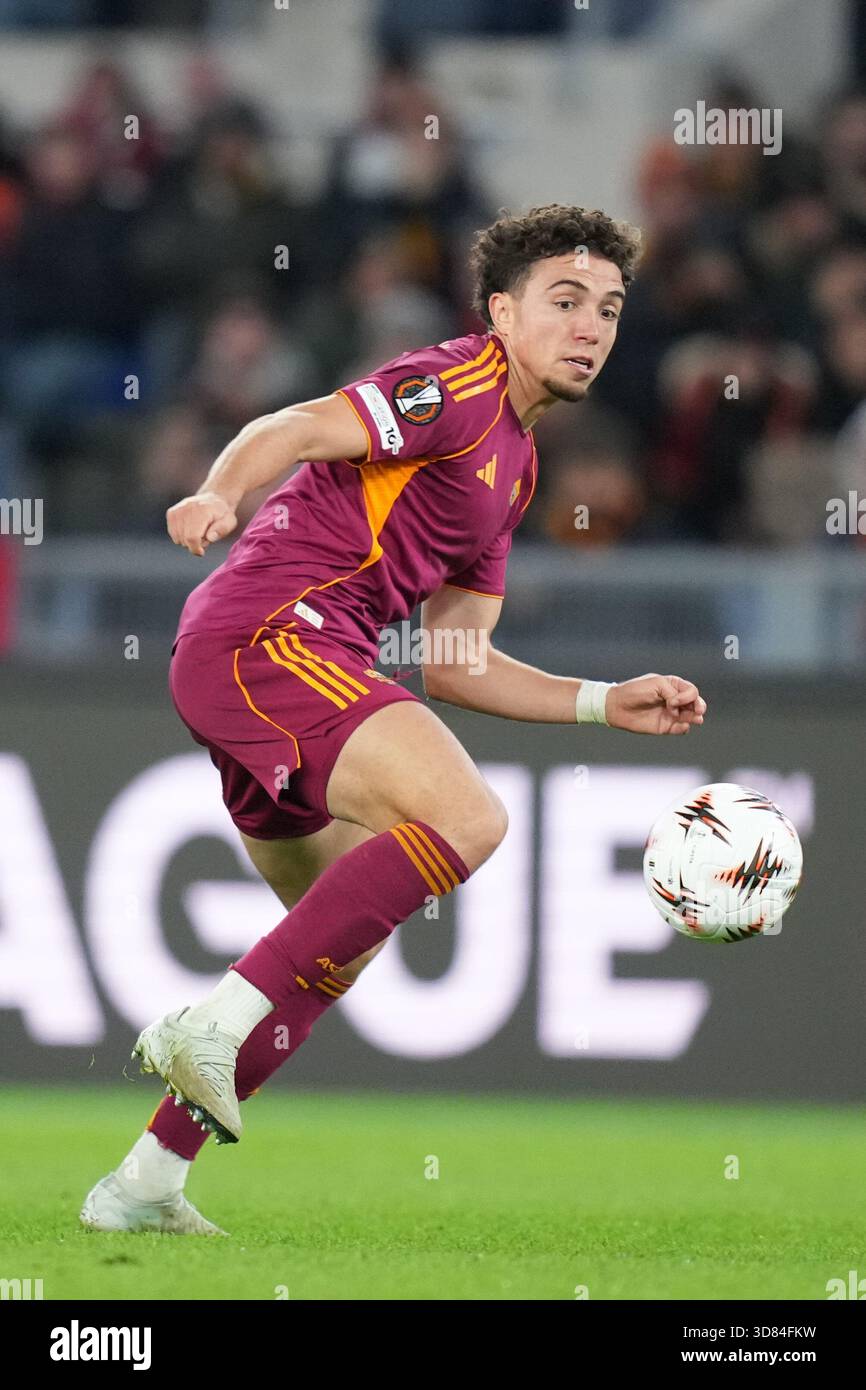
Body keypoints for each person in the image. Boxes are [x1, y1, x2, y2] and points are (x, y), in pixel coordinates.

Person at [80, 203, 707, 1235]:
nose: (589, 325)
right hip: (269, 636)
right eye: (562, 302)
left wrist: (601, 702)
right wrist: (217, 490)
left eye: (606, 307)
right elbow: (290, 425)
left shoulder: (518, 467)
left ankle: (144, 1180)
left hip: (291, 661)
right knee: (470, 818)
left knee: (337, 939)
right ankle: (209, 1019)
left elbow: (454, 664)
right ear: (500, 313)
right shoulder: (451, 385)